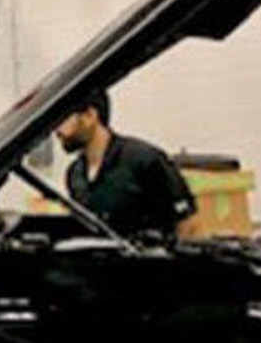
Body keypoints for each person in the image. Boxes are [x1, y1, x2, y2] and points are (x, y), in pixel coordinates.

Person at [55, 88, 196, 239]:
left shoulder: (145, 161)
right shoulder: (74, 174)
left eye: (63, 119)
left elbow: (186, 223)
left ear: (90, 115)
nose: (57, 130)